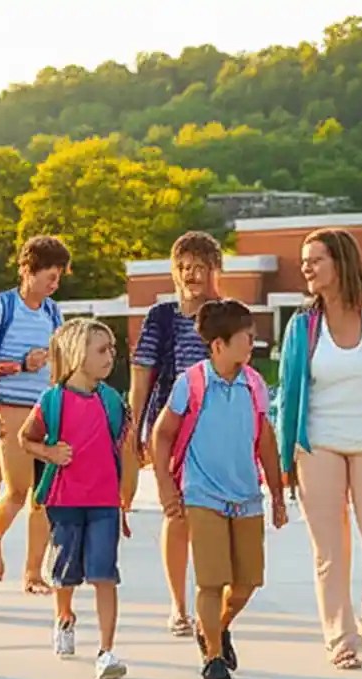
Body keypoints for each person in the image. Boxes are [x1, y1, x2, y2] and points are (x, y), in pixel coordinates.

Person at [275, 227, 362, 671]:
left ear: (341, 263)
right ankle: (339, 635)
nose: (306, 267)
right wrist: (285, 460)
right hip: (317, 445)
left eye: (315, 259)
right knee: (330, 548)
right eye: (304, 260)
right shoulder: (302, 326)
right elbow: (288, 396)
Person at [151, 299, 288, 679]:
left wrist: (277, 494)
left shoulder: (254, 383)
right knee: (211, 581)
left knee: (245, 584)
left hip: (246, 495)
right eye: (247, 337)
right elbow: (163, 434)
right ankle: (212, 658)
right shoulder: (191, 382)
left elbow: (265, 439)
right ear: (219, 345)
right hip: (201, 494)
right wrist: (165, 484)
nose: (252, 344)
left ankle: (216, 627)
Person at [17, 317, 135, 679]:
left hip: (104, 503)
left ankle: (107, 650)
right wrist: (49, 452)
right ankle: (64, 617)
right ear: (76, 354)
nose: (110, 356)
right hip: (65, 501)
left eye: (112, 349)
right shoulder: (52, 400)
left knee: (105, 574)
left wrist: (125, 495)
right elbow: (26, 439)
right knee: (66, 571)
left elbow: (124, 448)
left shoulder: (113, 400)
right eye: (102, 350)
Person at [129, 230, 222, 638]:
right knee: (177, 513)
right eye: (184, 267)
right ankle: (179, 606)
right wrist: (135, 425)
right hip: (170, 423)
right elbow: (142, 372)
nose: (191, 275)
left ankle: (210, 601)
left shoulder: (225, 314)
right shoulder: (161, 317)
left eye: (200, 267)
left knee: (215, 515)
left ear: (214, 270)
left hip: (217, 425)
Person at [0, 235, 71, 596]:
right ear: (27, 270)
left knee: (44, 495)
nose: (55, 283)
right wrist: (20, 365)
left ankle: (33, 574)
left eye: (58, 277)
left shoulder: (54, 312)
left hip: (45, 411)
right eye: (50, 275)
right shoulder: (0, 308)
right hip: (11, 410)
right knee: (17, 491)